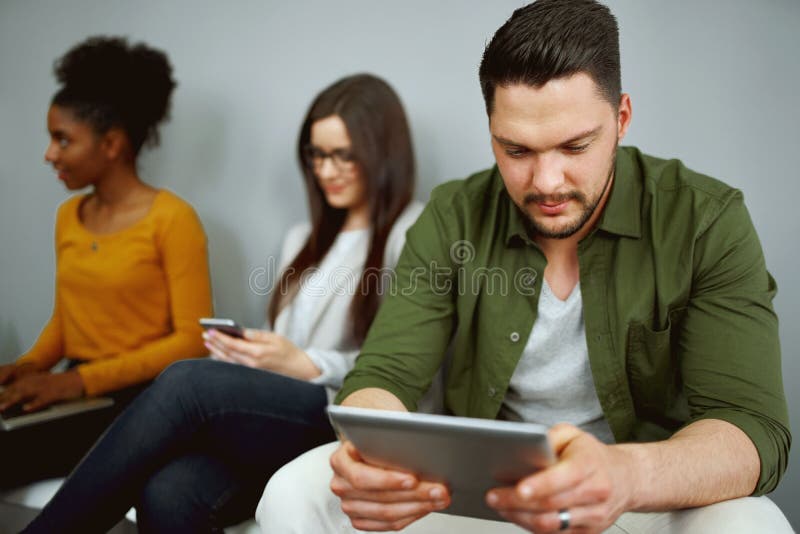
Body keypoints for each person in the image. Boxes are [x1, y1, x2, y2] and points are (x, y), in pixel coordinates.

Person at [256, 1, 792, 533]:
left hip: (644, 494)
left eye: (575, 146)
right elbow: (384, 374)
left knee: (754, 523)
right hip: (487, 496)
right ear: (492, 130)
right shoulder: (453, 214)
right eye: (516, 151)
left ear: (621, 118)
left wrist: (625, 474)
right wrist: (373, 455)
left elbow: (750, 426)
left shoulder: (704, 219)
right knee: (294, 492)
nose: (547, 182)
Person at [22, 73, 425, 533]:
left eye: (343, 155)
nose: (326, 170)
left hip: (343, 410)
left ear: (382, 151)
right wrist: (250, 351)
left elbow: (408, 368)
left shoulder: (412, 232)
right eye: (316, 154)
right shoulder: (302, 239)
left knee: (187, 381)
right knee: (168, 491)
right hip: (284, 411)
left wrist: (307, 364)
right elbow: (284, 345)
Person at [0, 36, 212, 489]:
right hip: (79, 388)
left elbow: (193, 341)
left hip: (141, 403)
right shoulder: (68, 216)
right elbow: (67, 318)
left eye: (63, 139)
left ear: (111, 143)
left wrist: (76, 383)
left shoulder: (173, 219)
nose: (49, 154)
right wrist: (30, 366)